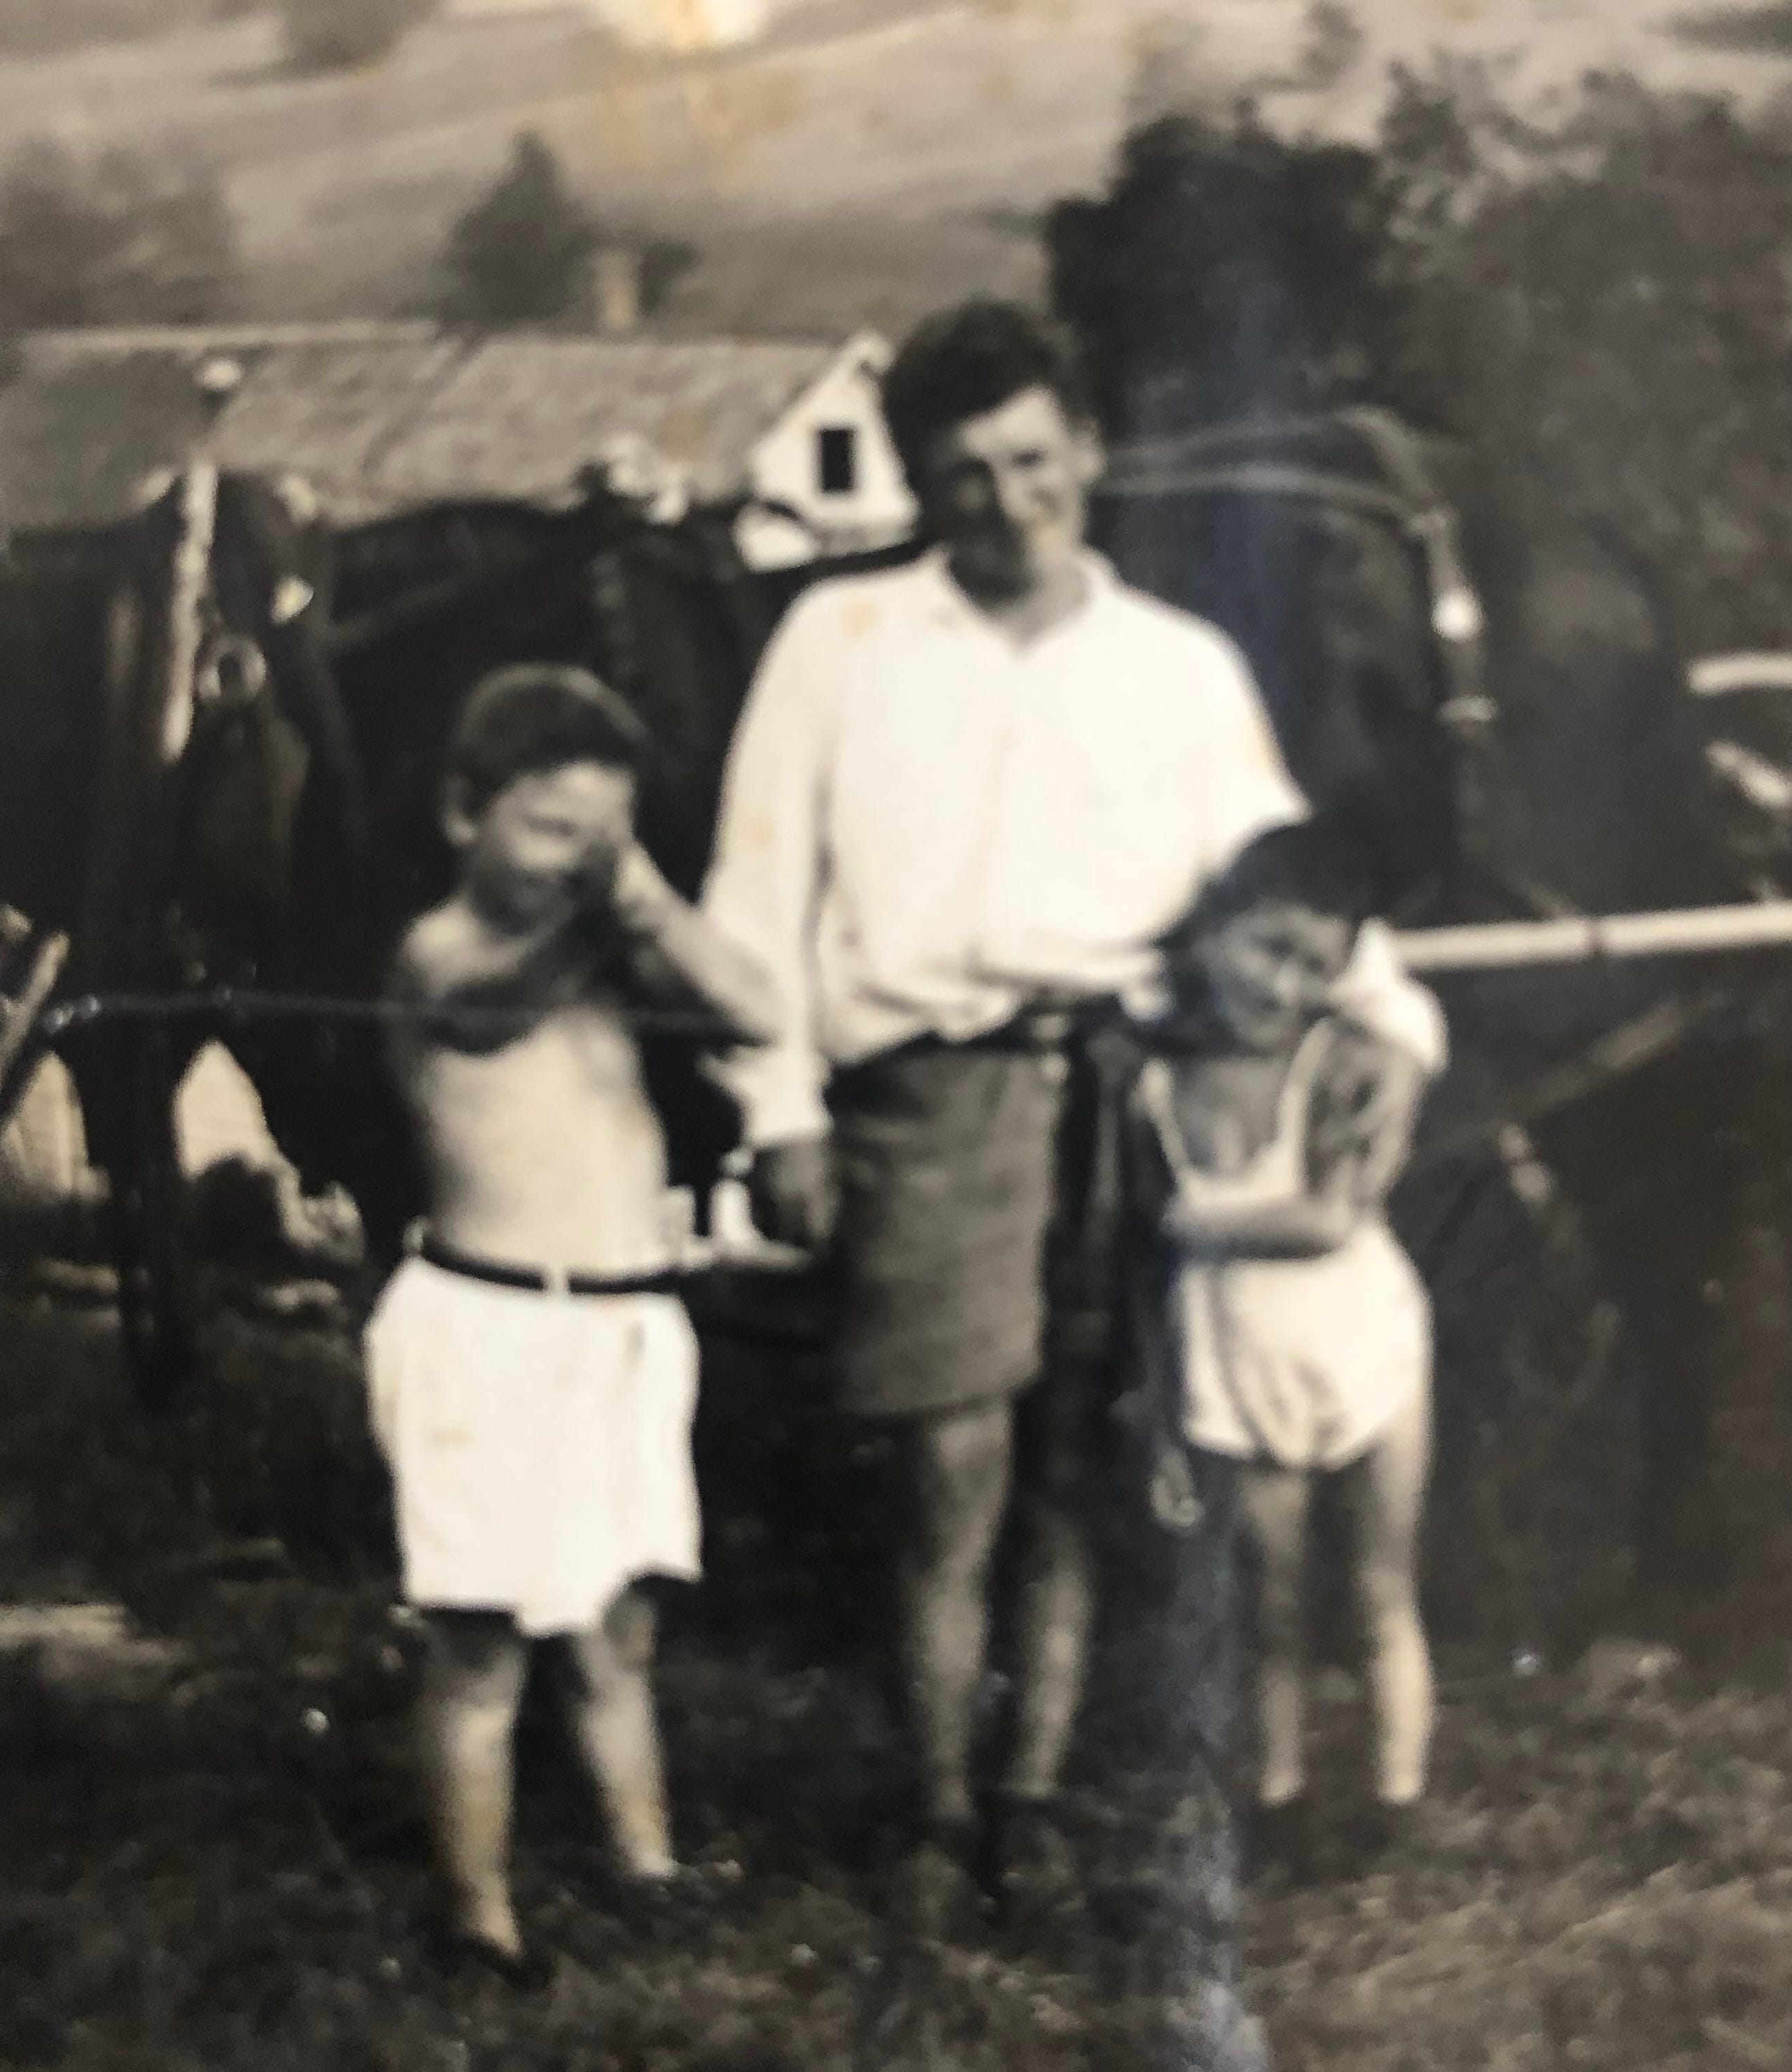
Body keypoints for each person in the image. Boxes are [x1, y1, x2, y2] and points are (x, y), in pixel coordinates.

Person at [700, 299, 1445, 1905]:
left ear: (1088, 455)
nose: (1004, 500)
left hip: (1118, 1094)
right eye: (960, 473)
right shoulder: (837, 646)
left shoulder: (1176, 669)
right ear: (915, 484)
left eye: (1032, 460)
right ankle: (934, 1806)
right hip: (925, 1097)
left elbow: (1282, 879)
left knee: (1063, 1470)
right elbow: (752, 893)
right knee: (941, 1469)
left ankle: (1027, 1798)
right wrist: (780, 1108)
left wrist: (1391, 1017)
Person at [365, 663, 778, 1981]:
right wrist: (610, 918)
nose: (577, 865)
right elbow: (492, 1012)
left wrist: (649, 899)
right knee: (480, 1642)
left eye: (602, 837)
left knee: (617, 1627)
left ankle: (644, 1864)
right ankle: (476, 1910)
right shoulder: (444, 953)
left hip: (619, 1330)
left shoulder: (610, 938)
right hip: (486, 1330)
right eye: (549, 832)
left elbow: (756, 1012)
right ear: (458, 815)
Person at [1131, 817, 1434, 1881]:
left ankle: (1396, 1799)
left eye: (1316, 965)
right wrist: (1168, 1413)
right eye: (1266, 950)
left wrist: (1179, 1225)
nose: (1283, 986)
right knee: (1271, 1594)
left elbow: (1327, 1222)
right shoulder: (1156, 1083)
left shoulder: (1343, 1061)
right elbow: (1152, 1298)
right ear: (1211, 931)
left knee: (1378, 1580)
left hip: (1357, 1338)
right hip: (1237, 1353)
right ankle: (1281, 1799)